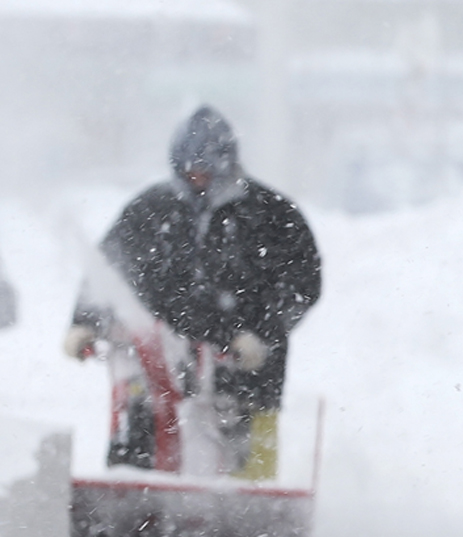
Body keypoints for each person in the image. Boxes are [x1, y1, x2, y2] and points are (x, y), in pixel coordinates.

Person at [64, 105, 321, 480]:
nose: (197, 179)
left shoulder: (271, 215)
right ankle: (136, 517)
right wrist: (85, 322)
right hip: (160, 368)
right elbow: (108, 271)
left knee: (247, 479)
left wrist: (261, 336)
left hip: (247, 378)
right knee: (139, 459)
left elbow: (302, 285)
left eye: (205, 170)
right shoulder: (150, 210)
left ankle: (245, 527)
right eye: (188, 171)